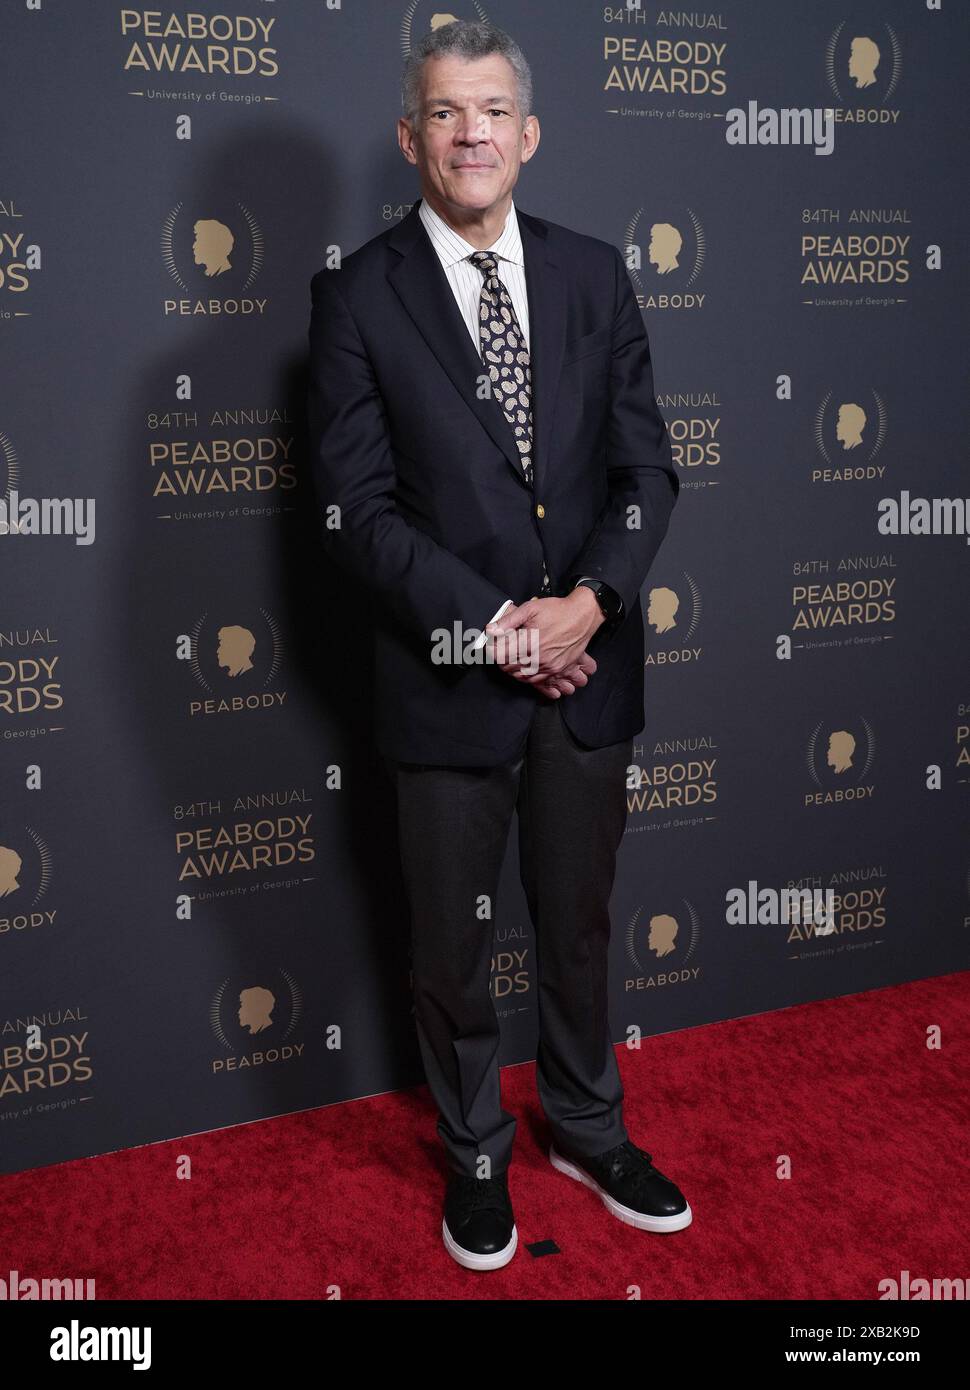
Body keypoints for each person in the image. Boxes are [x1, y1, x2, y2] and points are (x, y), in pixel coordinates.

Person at [306, 18, 690, 1271]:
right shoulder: (358, 295)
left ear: (527, 135)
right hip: (443, 688)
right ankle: (476, 1151)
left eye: (491, 112)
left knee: (577, 923)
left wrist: (588, 605)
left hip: (591, 668)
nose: (469, 132)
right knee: (452, 943)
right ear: (409, 138)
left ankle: (585, 1123)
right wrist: (495, 635)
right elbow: (357, 513)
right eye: (443, 112)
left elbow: (646, 470)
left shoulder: (594, 273)